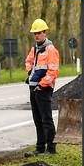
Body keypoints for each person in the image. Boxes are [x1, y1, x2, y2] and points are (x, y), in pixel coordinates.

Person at [24, 19, 61, 154]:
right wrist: (30, 73)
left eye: (39, 33)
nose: (37, 35)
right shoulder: (34, 49)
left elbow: (53, 71)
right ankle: (40, 148)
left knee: (46, 119)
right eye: (35, 33)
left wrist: (42, 84)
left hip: (44, 89)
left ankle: (51, 149)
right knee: (37, 120)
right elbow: (28, 62)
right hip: (33, 88)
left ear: (45, 33)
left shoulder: (51, 50)